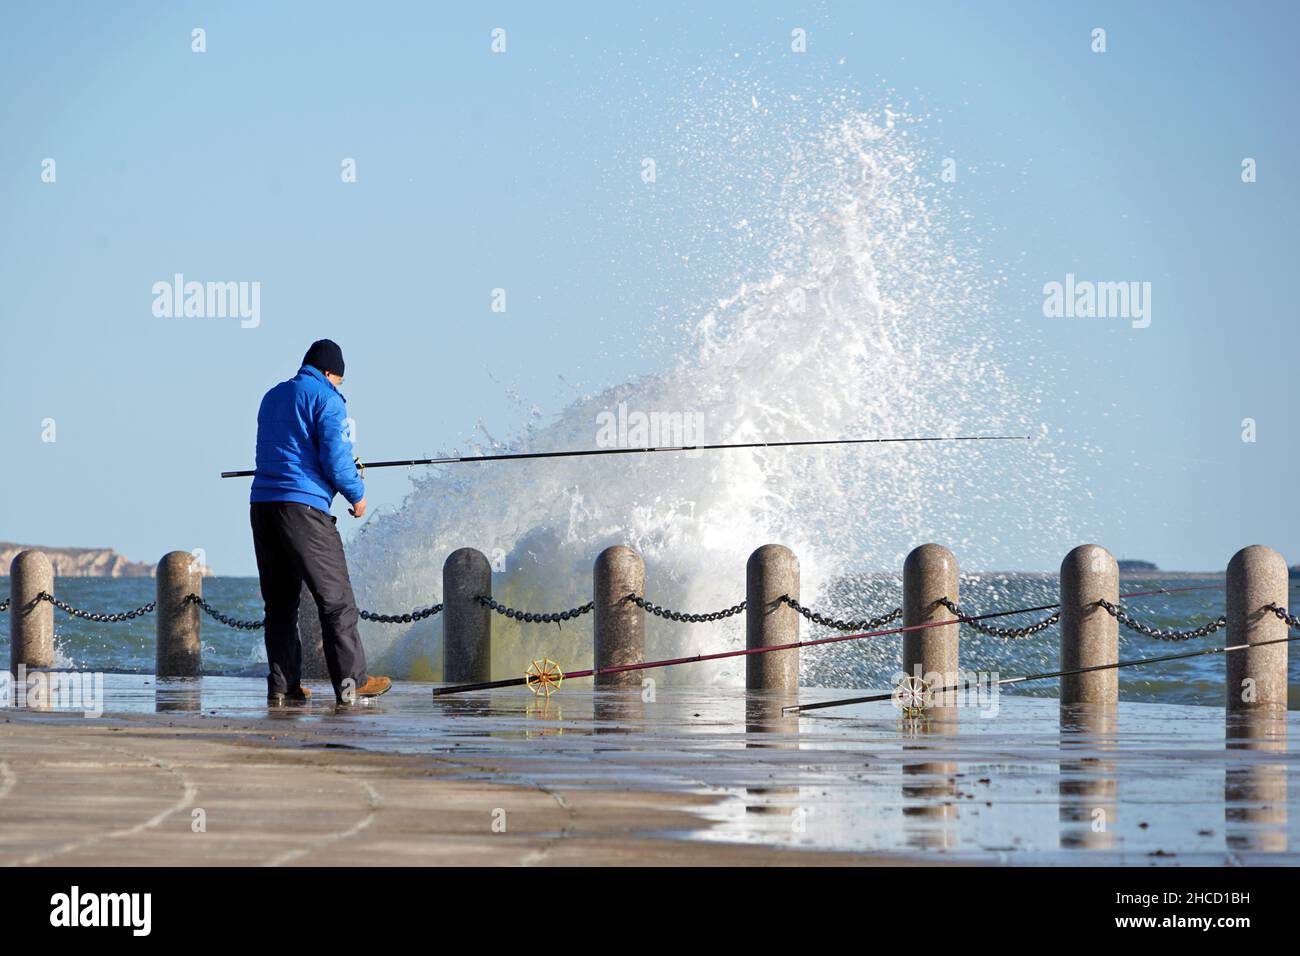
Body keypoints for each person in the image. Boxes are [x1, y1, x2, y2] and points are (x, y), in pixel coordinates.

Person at [249, 339, 391, 705]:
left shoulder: (273, 396)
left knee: (280, 604)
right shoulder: (327, 398)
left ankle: (283, 686)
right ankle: (352, 684)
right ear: (330, 373)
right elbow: (336, 457)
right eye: (340, 381)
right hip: (305, 511)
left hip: (263, 506)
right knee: (336, 601)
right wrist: (357, 494)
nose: (339, 387)